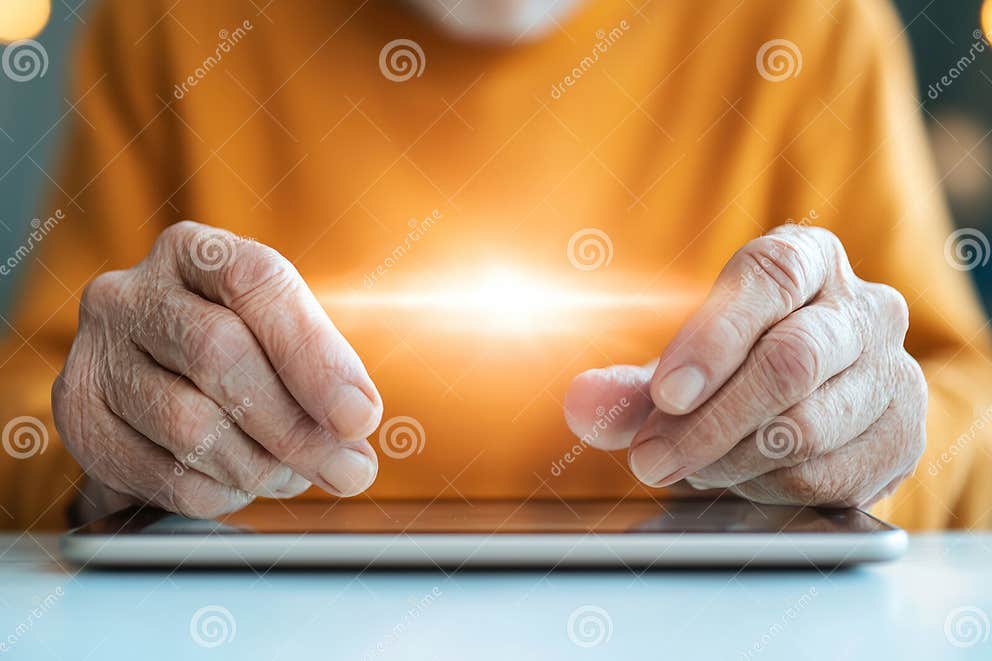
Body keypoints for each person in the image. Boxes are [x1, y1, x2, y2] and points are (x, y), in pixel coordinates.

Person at [1, 0, 990, 531]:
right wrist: (106, 463)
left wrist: (863, 444)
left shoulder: (804, 27)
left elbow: (957, 406)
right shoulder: (171, 22)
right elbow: (33, 410)